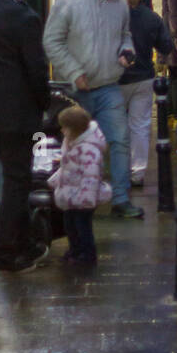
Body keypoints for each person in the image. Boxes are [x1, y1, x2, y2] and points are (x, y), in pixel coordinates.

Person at [43, 0, 143, 219]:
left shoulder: (119, 1)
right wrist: (74, 71)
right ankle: (77, 202)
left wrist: (126, 50)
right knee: (76, 147)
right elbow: (52, 40)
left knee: (119, 140)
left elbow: (125, 34)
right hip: (76, 90)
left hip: (109, 85)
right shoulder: (69, 1)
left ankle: (121, 199)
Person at [0, 0, 51, 273]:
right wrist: (44, 104)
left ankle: (19, 242)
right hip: (17, 113)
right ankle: (5, 251)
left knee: (13, 176)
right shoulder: (24, 17)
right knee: (17, 179)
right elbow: (36, 69)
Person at [120, 0, 173, 187]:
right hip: (143, 77)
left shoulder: (113, 18)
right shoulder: (152, 18)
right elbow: (166, 45)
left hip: (118, 78)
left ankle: (119, 167)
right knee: (140, 125)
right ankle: (138, 171)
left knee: (118, 124)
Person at [48, 105, 112, 269]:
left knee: (82, 227)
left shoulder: (88, 150)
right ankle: (75, 250)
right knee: (70, 225)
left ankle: (87, 254)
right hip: (71, 194)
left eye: (64, 127)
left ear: (74, 130)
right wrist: (56, 180)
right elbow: (66, 167)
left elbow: (91, 176)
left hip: (83, 197)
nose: (61, 130)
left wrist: (86, 198)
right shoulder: (71, 142)